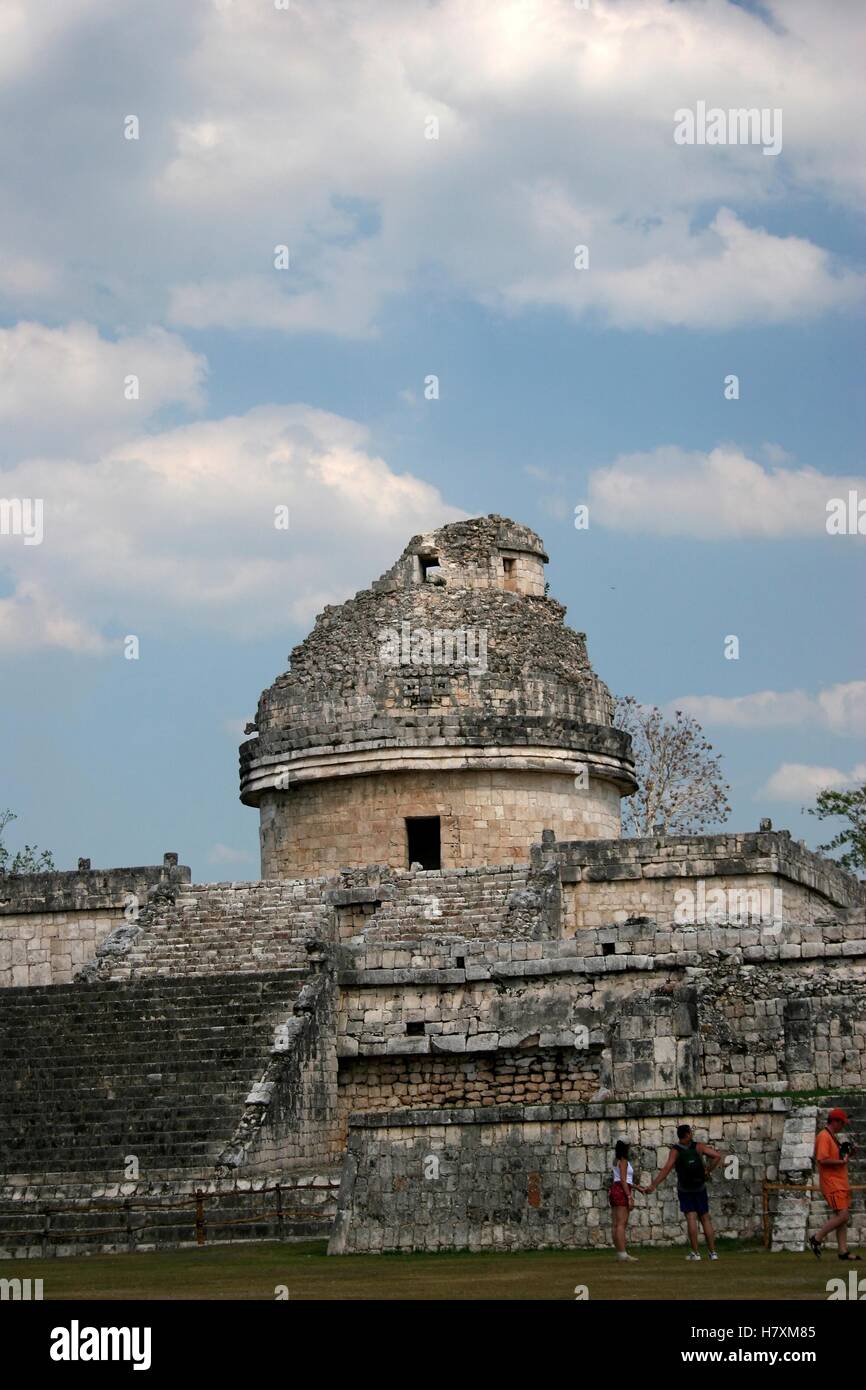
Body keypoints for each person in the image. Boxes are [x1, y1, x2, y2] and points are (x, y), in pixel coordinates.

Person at [640, 1122, 723, 1260]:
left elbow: (667, 1168)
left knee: (691, 1218)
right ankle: (713, 1253)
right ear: (688, 1134)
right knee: (705, 1218)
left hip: (685, 1188)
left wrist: (653, 1185)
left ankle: (696, 1253)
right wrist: (708, 1170)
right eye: (690, 1132)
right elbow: (717, 1156)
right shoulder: (698, 1147)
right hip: (700, 1187)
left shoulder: (676, 1150)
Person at [809, 1107, 860, 1261]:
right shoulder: (824, 1136)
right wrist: (841, 1161)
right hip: (832, 1183)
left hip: (840, 1182)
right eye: (842, 1123)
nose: (843, 1126)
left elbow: (838, 1157)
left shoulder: (832, 1136)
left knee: (842, 1217)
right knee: (843, 1216)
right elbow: (822, 1160)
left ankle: (843, 1251)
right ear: (835, 1122)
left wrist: (849, 1154)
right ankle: (816, 1238)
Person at [609, 1139, 638, 1262]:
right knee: (621, 1223)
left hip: (614, 1189)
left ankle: (620, 1252)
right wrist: (629, 1196)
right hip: (622, 1190)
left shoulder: (616, 1160)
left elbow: (622, 1179)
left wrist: (637, 1187)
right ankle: (623, 1253)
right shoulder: (624, 1161)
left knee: (616, 1224)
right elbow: (623, 1179)